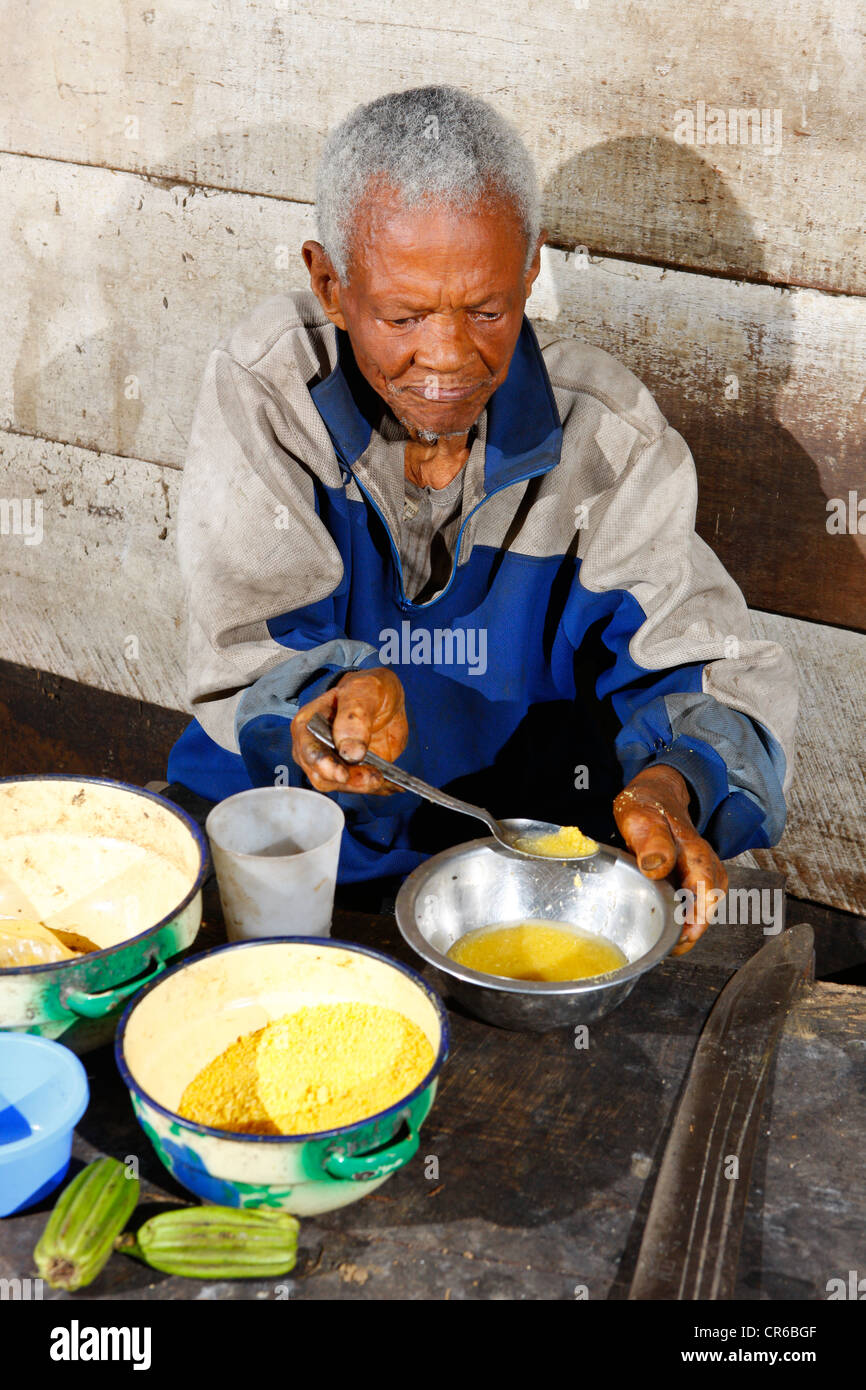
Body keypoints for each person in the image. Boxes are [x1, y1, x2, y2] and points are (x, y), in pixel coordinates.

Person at [168, 85, 797, 954]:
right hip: (280, 862)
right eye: (403, 316)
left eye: (488, 310)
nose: (449, 357)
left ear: (531, 267)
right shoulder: (273, 392)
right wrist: (332, 697)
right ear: (329, 282)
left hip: (505, 894)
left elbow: (710, 666)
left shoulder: (604, 438)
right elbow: (249, 652)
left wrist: (673, 784)